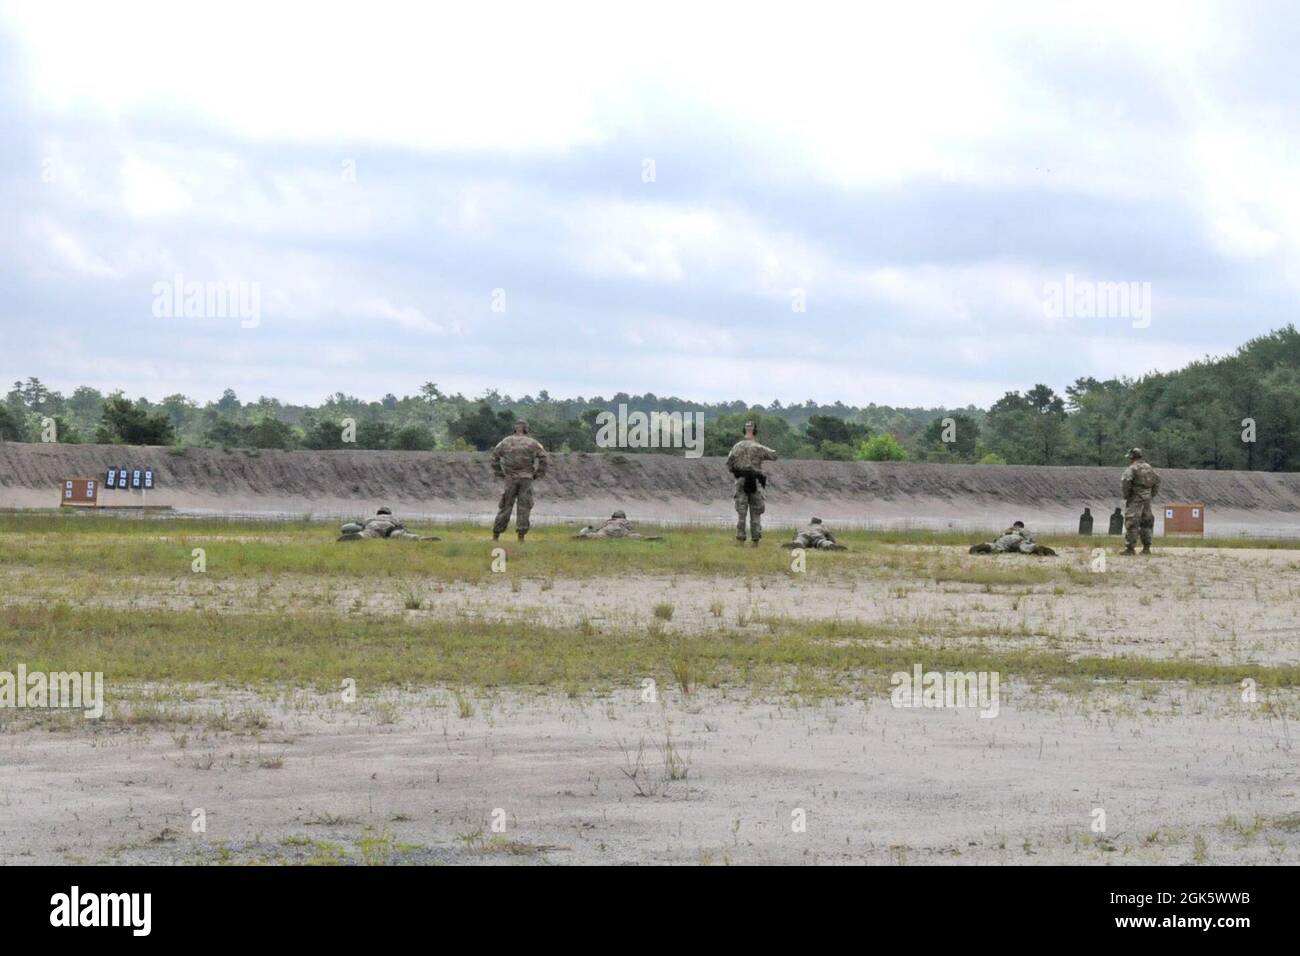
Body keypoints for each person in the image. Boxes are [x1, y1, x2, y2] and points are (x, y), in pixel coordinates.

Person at [490, 421, 549, 542]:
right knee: (524, 507)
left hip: (510, 478)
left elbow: (494, 457)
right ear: (526, 429)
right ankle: (521, 537)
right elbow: (544, 457)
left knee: (506, 506)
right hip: (526, 478)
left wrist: (500, 473)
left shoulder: (505, 442)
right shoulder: (532, 443)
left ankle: (496, 535)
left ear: (514, 429)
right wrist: (538, 473)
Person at [726, 420, 777, 546]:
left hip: (741, 481)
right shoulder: (759, 447)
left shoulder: (736, 447)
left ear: (744, 431)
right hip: (755, 481)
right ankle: (755, 541)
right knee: (756, 513)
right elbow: (774, 455)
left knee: (741, 512)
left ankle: (740, 540)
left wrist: (738, 470)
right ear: (755, 431)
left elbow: (729, 463)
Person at [1120, 447, 1160, 555]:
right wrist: (1151, 495)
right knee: (1146, 523)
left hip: (1135, 499)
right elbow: (1157, 481)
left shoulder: (1132, 468)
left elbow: (1125, 482)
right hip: (1146, 500)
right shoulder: (1149, 468)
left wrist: (1127, 495)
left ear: (1132, 457)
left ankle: (1130, 549)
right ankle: (1146, 548)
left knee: (1132, 523)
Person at [338, 507, 438, 541]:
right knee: (398, 535)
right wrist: (408, 532)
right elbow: (401, 526)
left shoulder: (370, 517)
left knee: (367, 534)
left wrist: (360, 530)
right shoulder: (393, 517)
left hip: (373, 525)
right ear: (389, 513)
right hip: (389, 526)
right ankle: (416, 538)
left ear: (378, 513)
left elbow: (359, 525)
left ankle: (360, 536)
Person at [969, 521, 1056, 556]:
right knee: (1025, 548)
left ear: (1014, 525)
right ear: (1022, 526)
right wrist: (1033, 544)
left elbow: (997, 539)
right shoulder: (1023, 530)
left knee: (995, 547)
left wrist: (994, 542)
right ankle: (1037, 549)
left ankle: (985, 546)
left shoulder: (1008, 529)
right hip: (1018, 539)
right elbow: (1031, 539)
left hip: (1005, 538)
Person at [575, 510, 663, 540]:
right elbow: (632, 530)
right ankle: (647, 538)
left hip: (607, 531)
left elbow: (598, 528)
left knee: (597, 536)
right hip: (621, 532)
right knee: (636, 536)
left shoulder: (609, 521)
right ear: (623, 516)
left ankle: (585, 536)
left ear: (613, 516)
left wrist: (592, 531)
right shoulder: (625, 521)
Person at [781, 517, 846, 550]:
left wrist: (794, 541)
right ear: (819, 522)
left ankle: (798, 543)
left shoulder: (803, 526)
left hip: (804, 535)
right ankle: (829, 546)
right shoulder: (821, 526)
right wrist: (832, 542)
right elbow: (830, 536)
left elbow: (795, 536)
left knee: (800, 540)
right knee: (822, 542)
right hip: (817, 536)